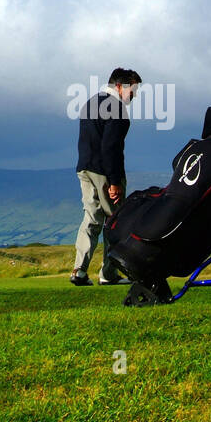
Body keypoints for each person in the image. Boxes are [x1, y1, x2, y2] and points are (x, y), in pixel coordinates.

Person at [71, 68, 141, 285]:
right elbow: (111, 148)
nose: (134, 95)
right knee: (116, 221)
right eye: (133, 89)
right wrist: (114, 182)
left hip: (84, 167)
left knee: (91, 218)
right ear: (120, 86)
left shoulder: (90, 103)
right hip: (104, 171)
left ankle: (79, 271)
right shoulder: (117, 109)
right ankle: (109, 273)